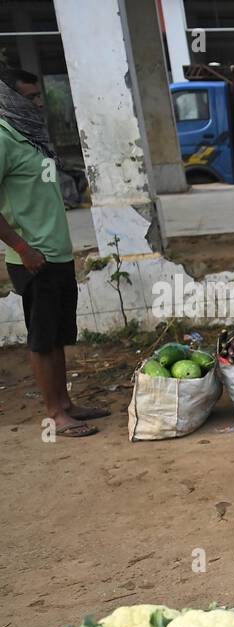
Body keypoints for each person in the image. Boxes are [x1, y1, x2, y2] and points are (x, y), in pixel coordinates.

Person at [0, 69, 105, 438]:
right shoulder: (3, 137)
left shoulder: (31, 137)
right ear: (9, 98)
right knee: (42, 338)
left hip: (57, 252)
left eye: (38, 95)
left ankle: (66, 404)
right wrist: (22, 248)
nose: (39, 102)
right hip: (33, 258)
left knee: (59, 336)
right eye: (30, 98)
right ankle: (54, 415)